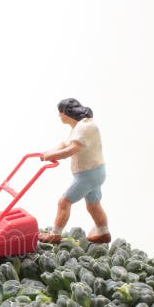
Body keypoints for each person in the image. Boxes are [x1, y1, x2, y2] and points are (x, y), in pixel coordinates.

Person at [38, 98, 111, 244]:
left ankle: (55, 235)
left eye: (60, 113)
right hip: (95, 172)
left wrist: (51, 156)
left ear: (66, 112)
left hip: (88, 175)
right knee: (93, 204)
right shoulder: (78, 126)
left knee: (64, 202)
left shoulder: (84, 127)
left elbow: (72, 149)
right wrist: (50, 152)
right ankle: (103, 232)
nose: (59, 116)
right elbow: (65, 143)